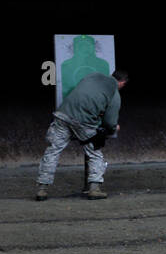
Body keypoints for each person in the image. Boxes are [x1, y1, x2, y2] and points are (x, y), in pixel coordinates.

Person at [35, 69, 127, 200]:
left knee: (53, 151)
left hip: (63, 115)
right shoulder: (114, 93)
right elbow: (110, 122)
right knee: (95, 153)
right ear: (122, 82)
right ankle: (94, 189)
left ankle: (42, 189)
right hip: (85, 123)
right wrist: (113, 128)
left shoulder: (93, 76)